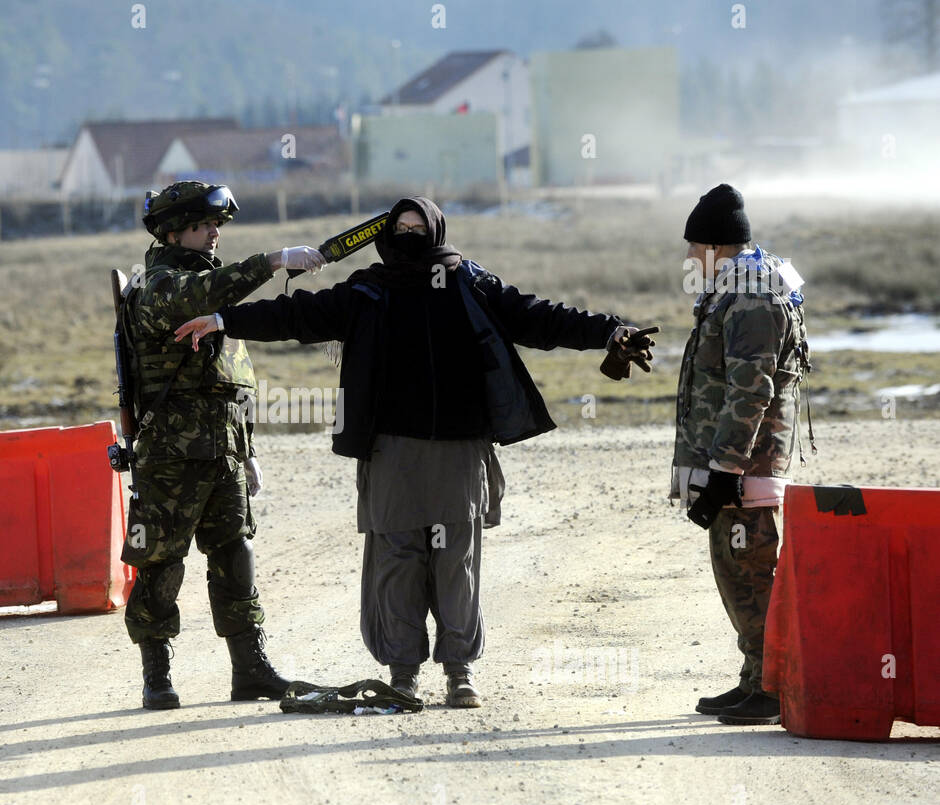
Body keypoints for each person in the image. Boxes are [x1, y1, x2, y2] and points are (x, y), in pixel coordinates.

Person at [175, 197, 657, 707]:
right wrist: (224, 318)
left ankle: (459, 671)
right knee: (397, 560)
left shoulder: (469, 282)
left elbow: (539, 317)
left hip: (459, 449)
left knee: (456, 560)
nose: (408, 235)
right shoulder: (369, 290)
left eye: (417, 227)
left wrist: (609, 330)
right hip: (391, 451)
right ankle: (402, 672)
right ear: (385, 234)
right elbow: (297, 315)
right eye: (399, 228)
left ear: (436, 230)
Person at [120, 180, 326, 709]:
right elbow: (203, 297)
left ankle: (251, 670)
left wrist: (248, 450)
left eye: (216, 226)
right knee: (160, 564)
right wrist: (275, 260)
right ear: (174, 230)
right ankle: (157, 675)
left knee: (236, 557)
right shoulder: (159, 285)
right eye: (205, 225)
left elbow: (233, 383)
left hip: (223, 453)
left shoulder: (213, 288)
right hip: (169, 457)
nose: (215, 233)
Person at [673, 184, 808, 726]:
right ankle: (755, 678)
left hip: (743, 466)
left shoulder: (752, 295)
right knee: (737, 571)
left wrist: (725, 470)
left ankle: (774, 686)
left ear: (715, 247)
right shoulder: (736, 287)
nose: (687, 259)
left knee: (752, 571)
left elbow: (751, 391)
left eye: (693, 247)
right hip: (730, 463)